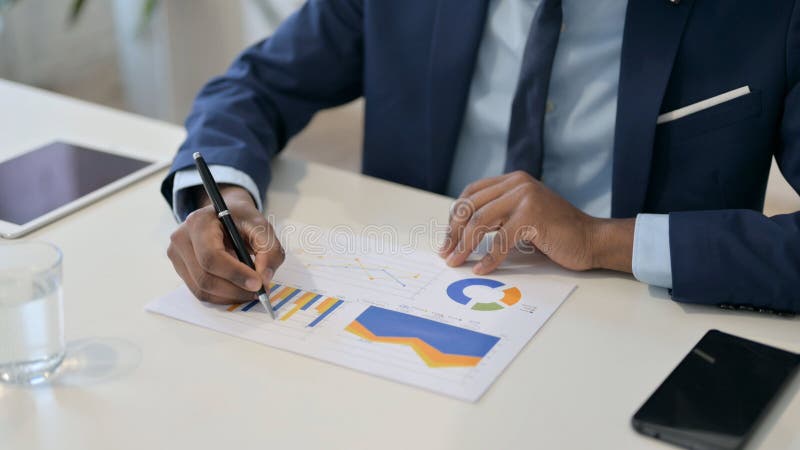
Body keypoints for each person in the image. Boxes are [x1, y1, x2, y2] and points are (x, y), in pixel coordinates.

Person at [163, 0, 800, 314]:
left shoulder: (770, 13)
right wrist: (228, 202)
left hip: (638, 323)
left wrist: (603, 239)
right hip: (410, 296)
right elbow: (255, 85)